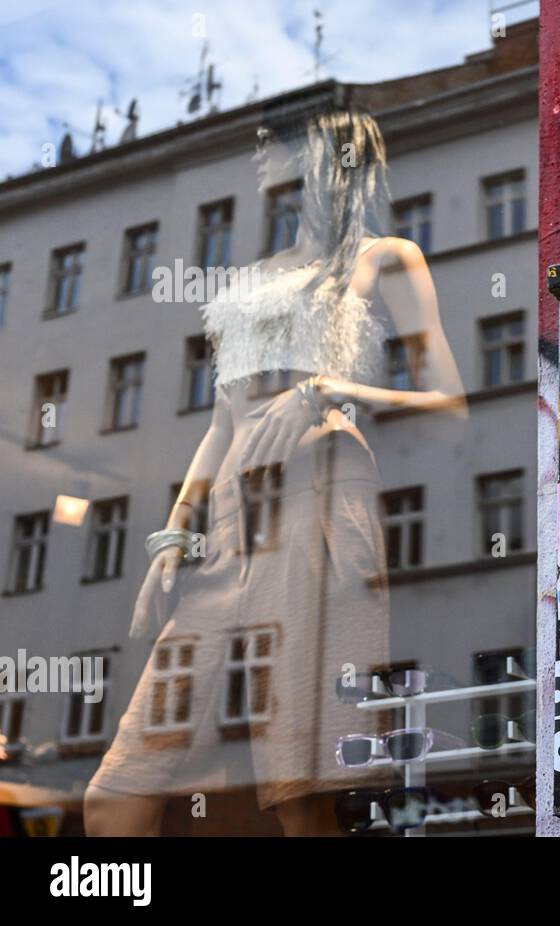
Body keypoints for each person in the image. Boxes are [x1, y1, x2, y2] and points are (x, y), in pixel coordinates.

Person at [83, 104, 465, 836]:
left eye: (277, 139)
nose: (260, 150)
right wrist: (171, 538)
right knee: (116, 792)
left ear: (325, 154)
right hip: (229, 524)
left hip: (320, 499)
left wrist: (331, 389)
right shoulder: (253, 279)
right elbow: (222, 422)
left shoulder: (384, 258)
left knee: (299, 789)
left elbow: (447, 400)